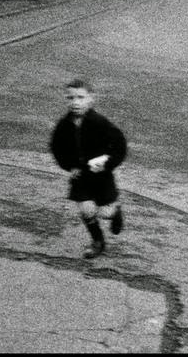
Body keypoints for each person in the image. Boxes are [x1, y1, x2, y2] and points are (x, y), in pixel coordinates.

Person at [50, 78, 127, 258]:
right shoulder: (63, 126)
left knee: (105, 213)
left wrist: (107, 164)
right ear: (66, 99)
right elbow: (57, 149)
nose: (75, 102)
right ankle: (97, 241)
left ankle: (115, 212)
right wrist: (70, 167)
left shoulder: (100, 122)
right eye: (70, 98)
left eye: (80, 97)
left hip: (101, 176)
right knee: (86, 209)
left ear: (91, 99)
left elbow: (119, 146)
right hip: (81, 177)